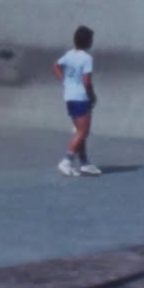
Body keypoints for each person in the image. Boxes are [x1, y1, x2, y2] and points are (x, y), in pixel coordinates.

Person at [51, 25, 101, 177]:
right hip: (81, 97)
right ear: (88, 41)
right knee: (82, 131)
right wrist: (92, 96)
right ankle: (66, 161)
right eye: (91, 39)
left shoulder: (70, 54)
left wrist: (65, 81)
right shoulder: (87, 58)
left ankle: (85, 163)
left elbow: (55, 66)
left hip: (69, 96)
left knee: (79, 131)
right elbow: (86, 82)